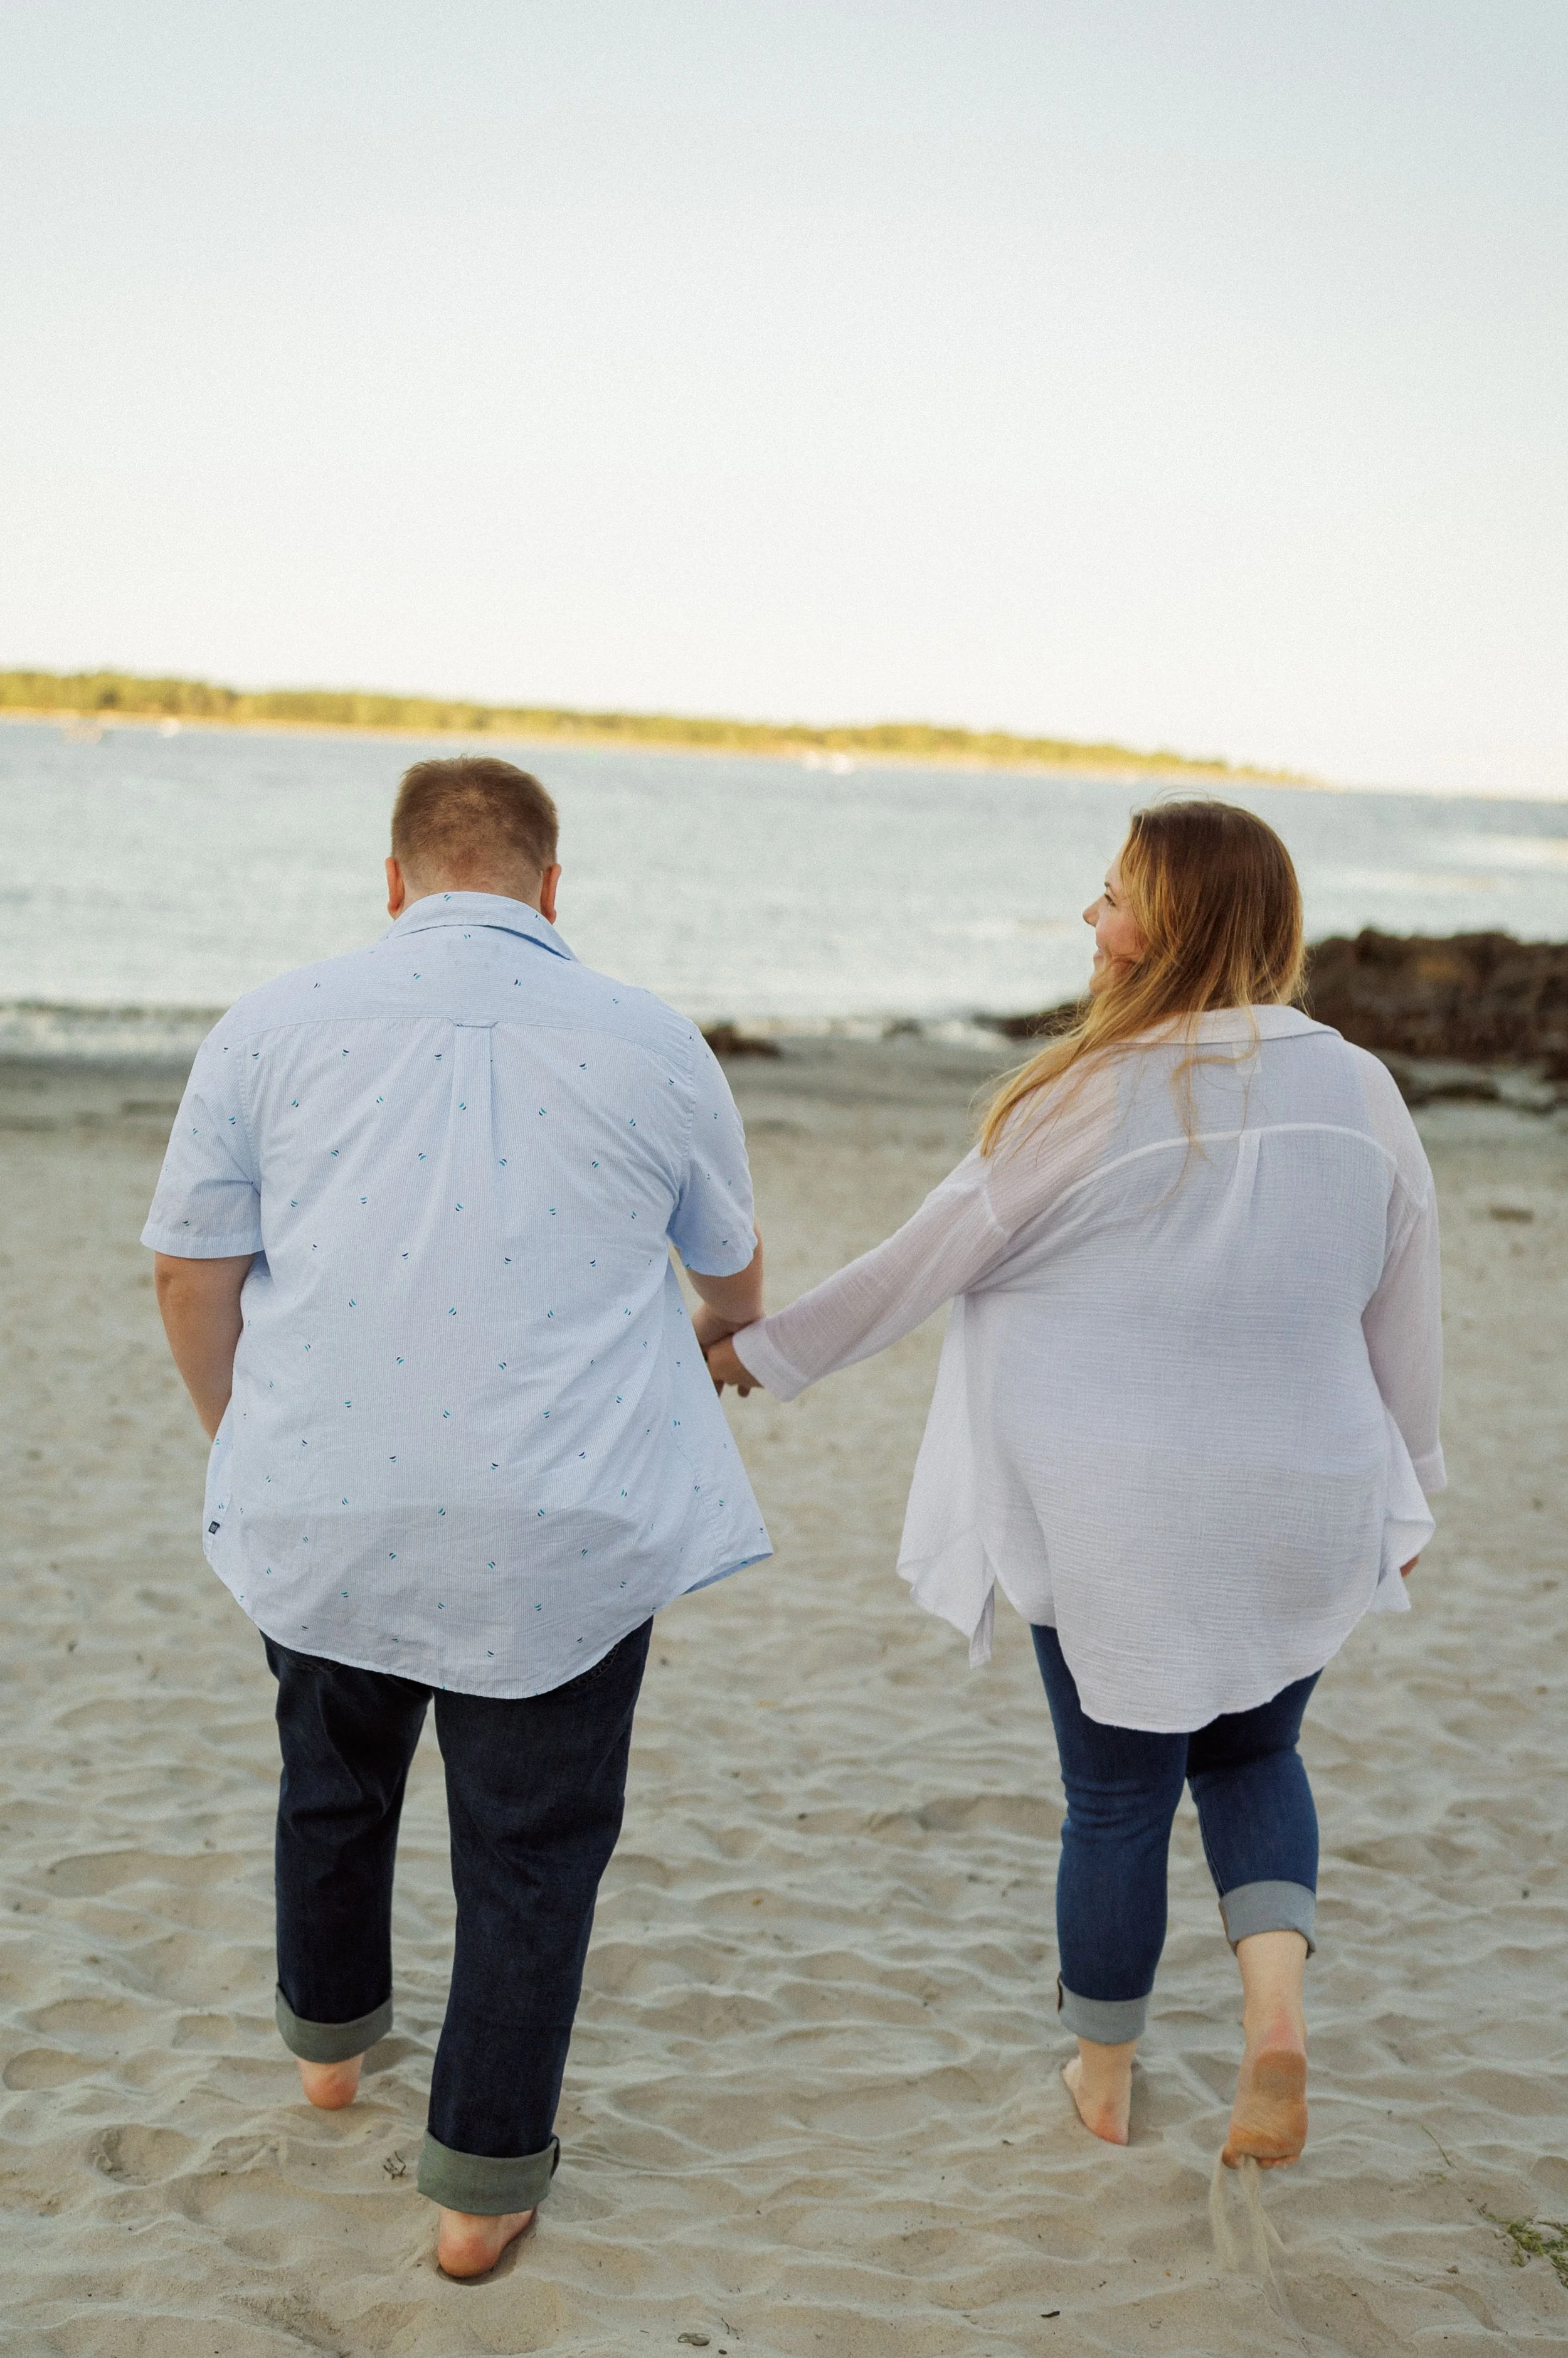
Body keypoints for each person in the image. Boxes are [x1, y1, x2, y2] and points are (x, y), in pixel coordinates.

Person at [702, 800, 1441, 2165]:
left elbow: (915, 1265)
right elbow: (1406, 1310)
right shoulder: (1363, 1088)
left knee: (1115, 1798)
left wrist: (753, 1351)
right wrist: (1416, 1488)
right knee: (1256, 1754)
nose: (1091, 922)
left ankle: (1103, 2082)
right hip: (1308, 1492)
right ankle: (1273, 2020)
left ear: (1170, 923)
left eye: (1113, 896)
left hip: (1124, 1517)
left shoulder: (1081, 1096)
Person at [145, 755, 770, 2278]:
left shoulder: (269, 1023)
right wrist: (702, 1336)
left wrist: (245, 1438)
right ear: (552, 886)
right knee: (532, 1845)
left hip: (328, 1493)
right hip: (563, 1515)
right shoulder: (652, 1038)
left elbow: (186, 1272)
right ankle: (478, 2195)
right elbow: (731, 1278)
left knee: (332, 1781)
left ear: (393, 879)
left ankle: (327, 2048)